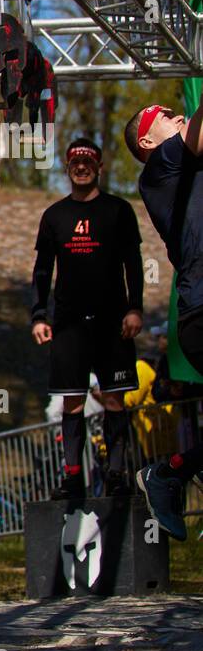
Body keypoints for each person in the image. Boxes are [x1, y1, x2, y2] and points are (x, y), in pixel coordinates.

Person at [30, 139, 142, 498]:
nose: (81, 167)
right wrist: (38, 315)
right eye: (75, 161)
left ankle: (116, 473)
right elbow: (42, 270)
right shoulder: (54, 216)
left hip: (112, 322)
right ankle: (73, 477)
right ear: (67, 167)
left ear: (99, 167)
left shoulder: (119, 211)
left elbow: (134, 265)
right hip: (68, 323)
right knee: (72, 401)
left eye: (88, 161)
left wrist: (135, 308)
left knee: (113, 399)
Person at [123, 101, 203, 537]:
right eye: (166, 116)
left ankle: (179, 469)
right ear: (148, 140)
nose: (177, 115)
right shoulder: (162, 167)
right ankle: (172, 472)